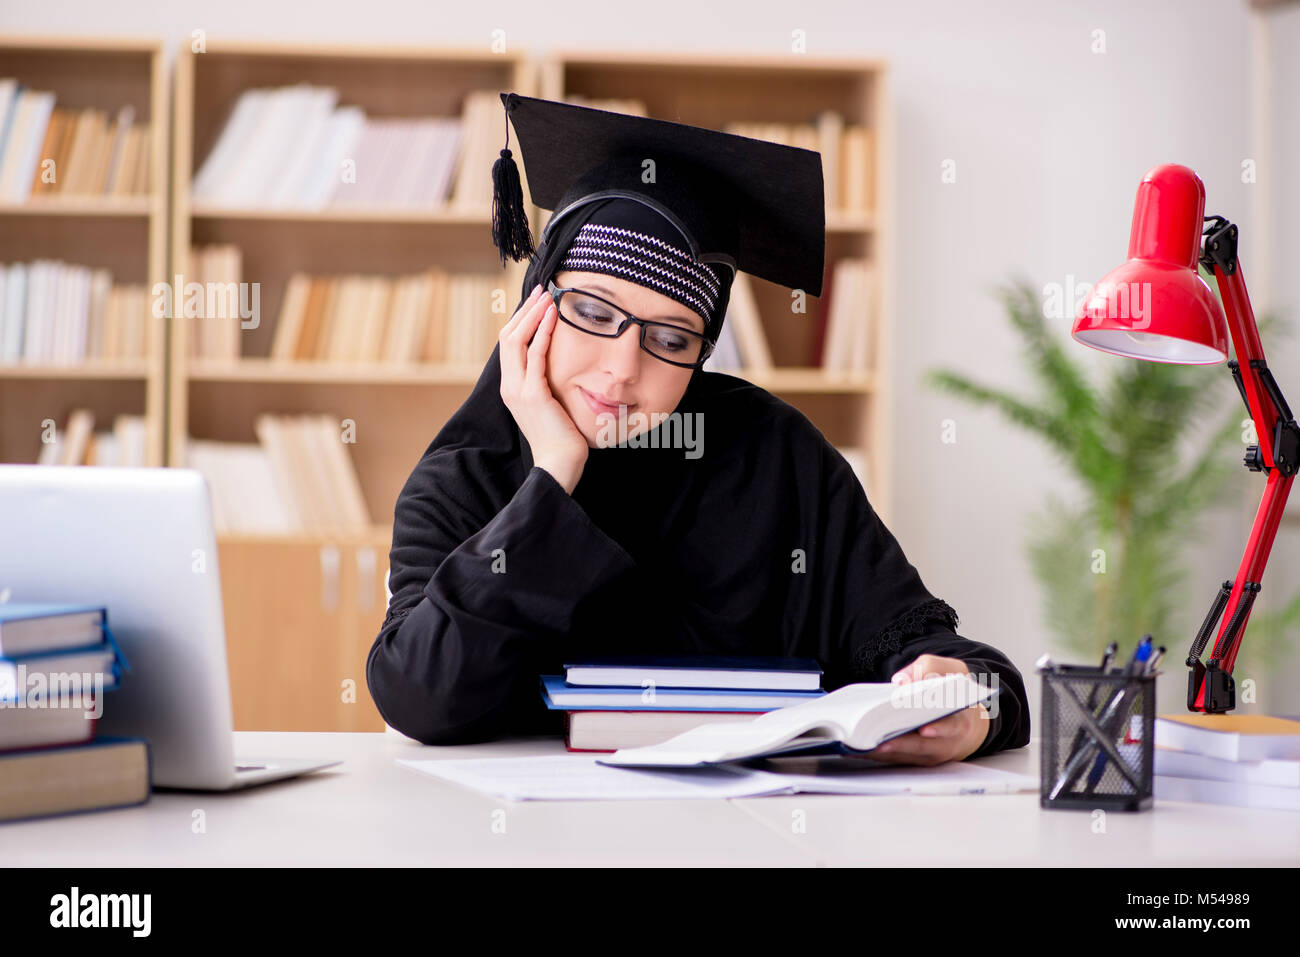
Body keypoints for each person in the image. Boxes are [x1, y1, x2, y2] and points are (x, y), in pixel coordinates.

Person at [366, 93, 1030, 764]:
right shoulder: (462, 478)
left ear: (704, 353)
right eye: (594, 312)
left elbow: (970, 675)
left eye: (671, 337)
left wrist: (968, 706)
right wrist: (552, 478)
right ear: (536, 306)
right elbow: (417, 694)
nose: (624, 368)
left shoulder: (778, 460)